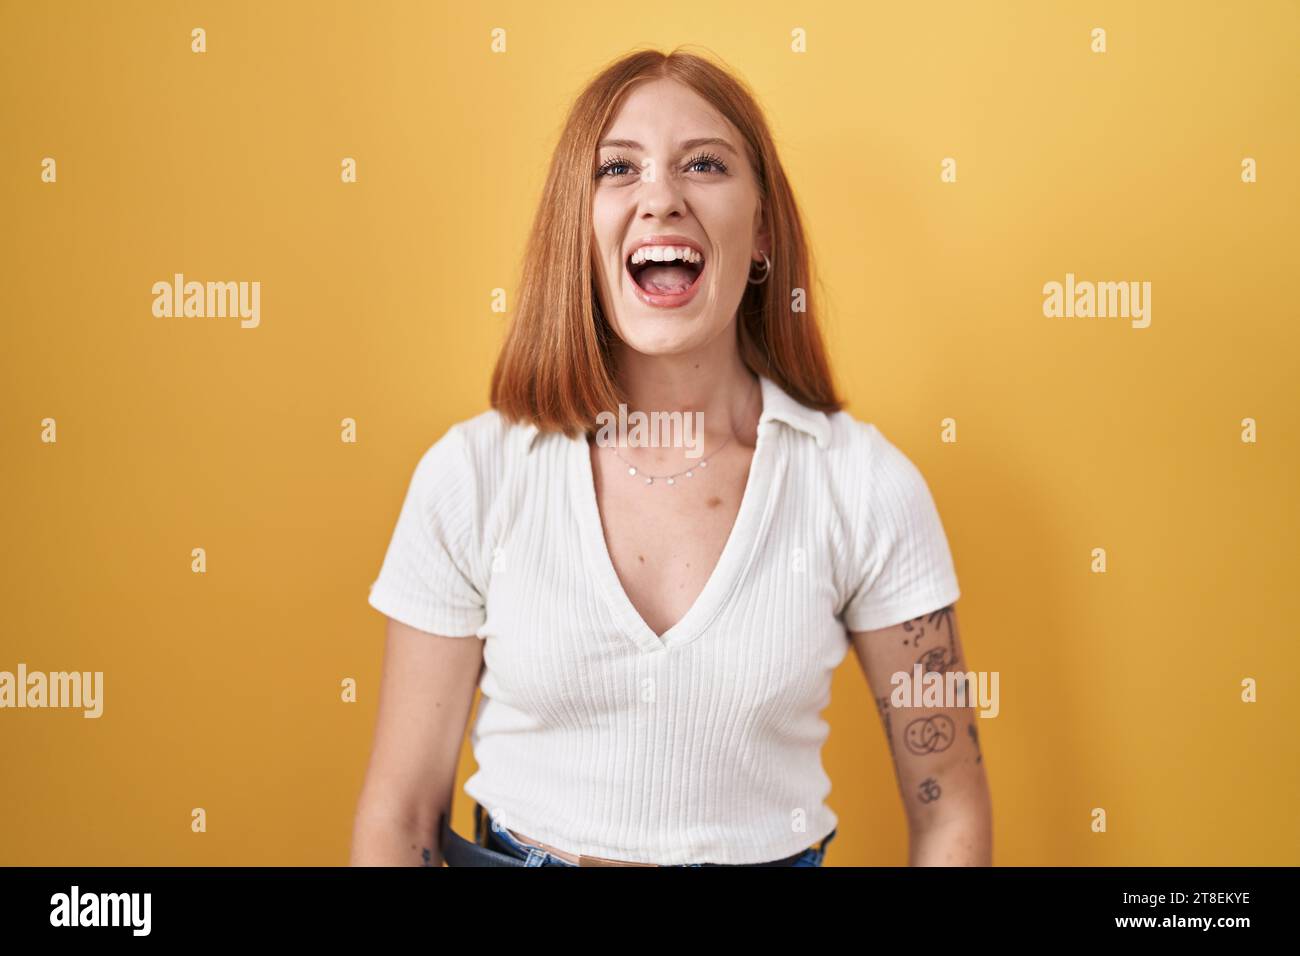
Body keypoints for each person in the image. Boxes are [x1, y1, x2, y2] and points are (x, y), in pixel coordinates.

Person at [350, 46, 991, 867]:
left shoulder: (865, 487)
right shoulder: (470, 478)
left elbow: (951, 812)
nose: (661, 197)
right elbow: (400, 820)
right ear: (577, 232)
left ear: (761, 233)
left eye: (704, 164)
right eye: (618, 169)